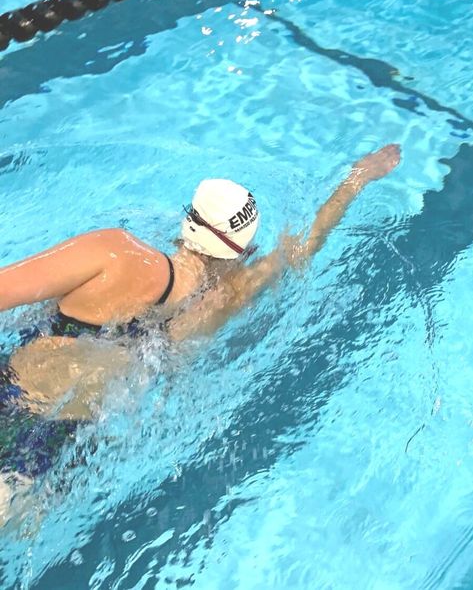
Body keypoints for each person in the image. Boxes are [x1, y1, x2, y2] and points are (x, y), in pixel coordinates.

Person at [0, 143, 400, 520]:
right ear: (243, 252)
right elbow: (306, 244)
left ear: (187, 218)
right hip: (56, 453)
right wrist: (358, 178)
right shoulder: (226, 299)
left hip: (13, 393)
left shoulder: (116, 254)